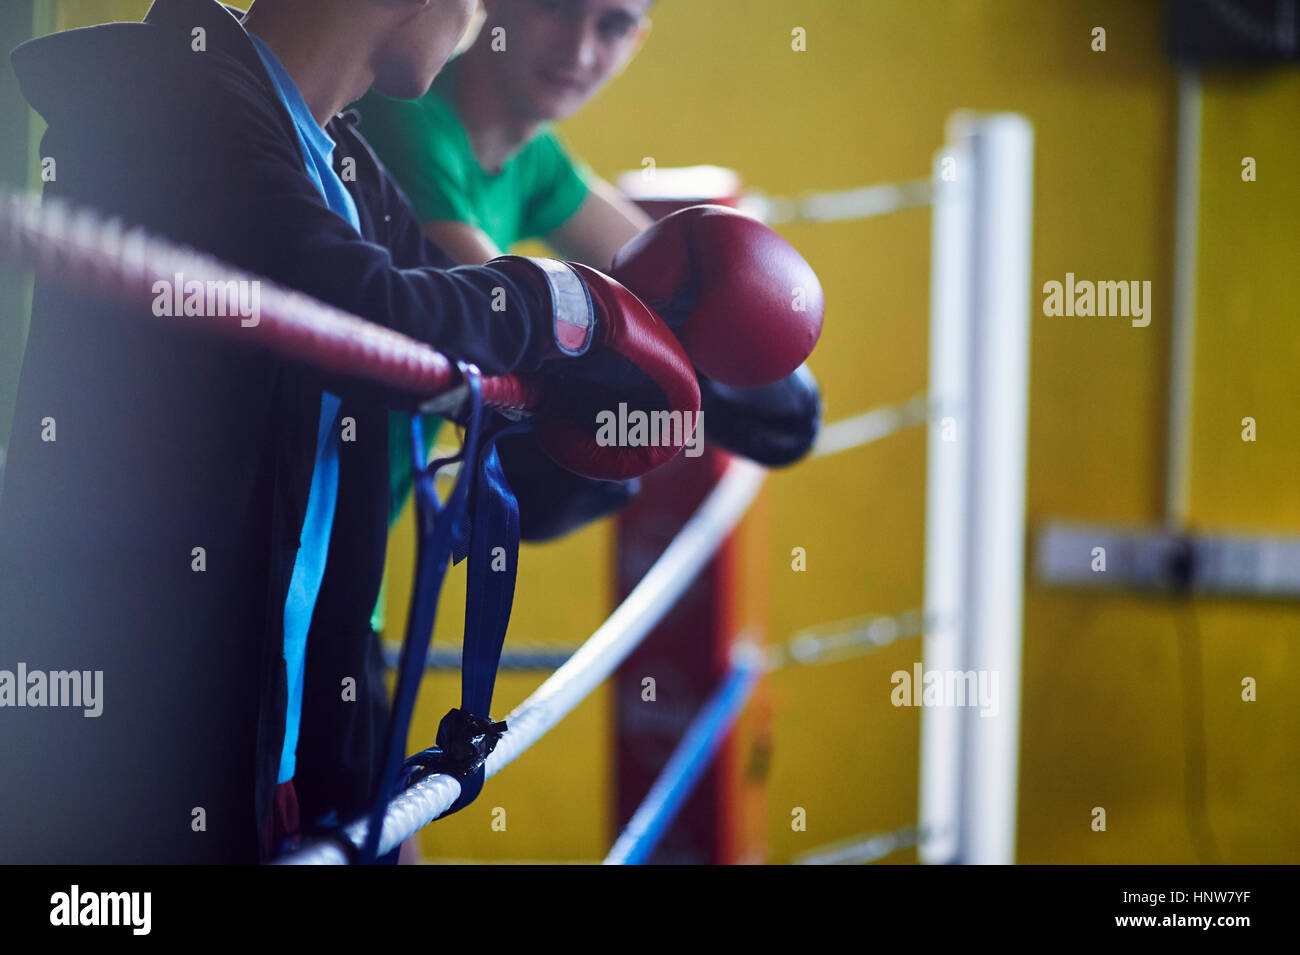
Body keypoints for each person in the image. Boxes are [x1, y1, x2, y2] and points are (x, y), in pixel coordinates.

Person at [0, 0, 704, 863]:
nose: (477, 27)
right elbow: (362, 305)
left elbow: (455, 339)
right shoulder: (182, 104)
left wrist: (608, 404)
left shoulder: (348, 166)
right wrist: (565, 304)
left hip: (288, 714)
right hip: (139, 727)